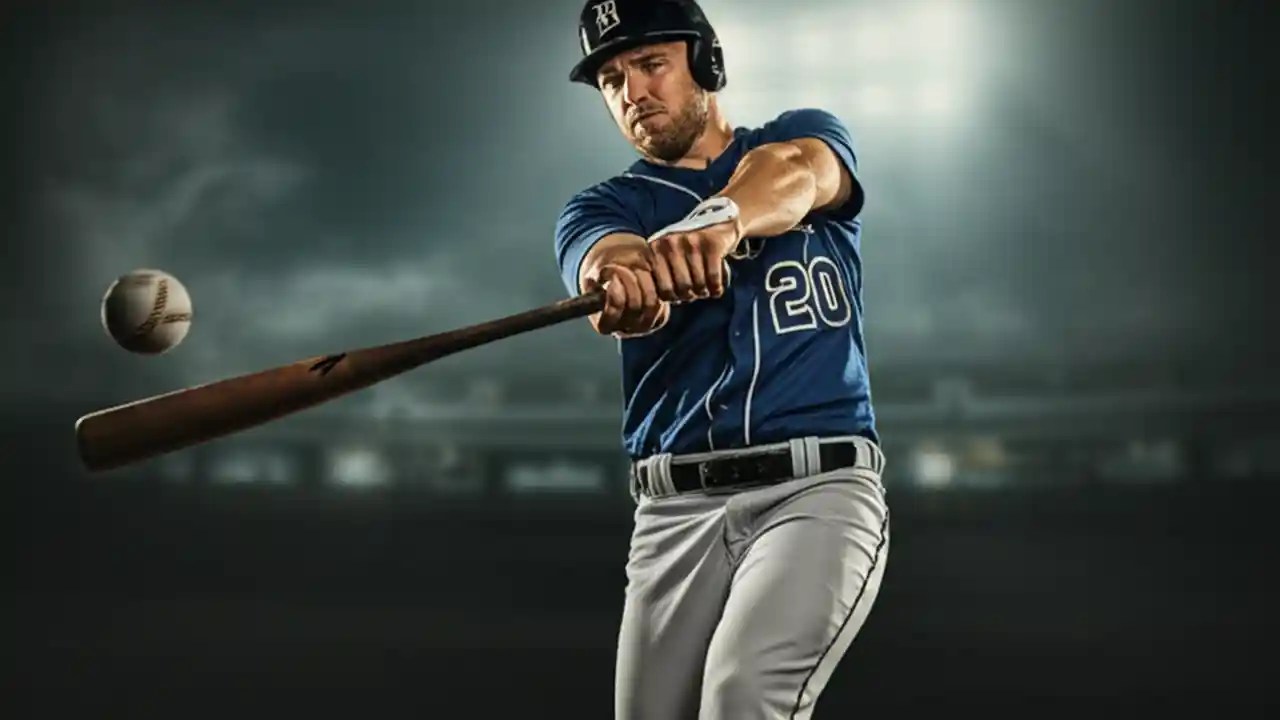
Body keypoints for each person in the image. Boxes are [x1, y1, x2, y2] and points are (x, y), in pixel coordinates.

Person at [552, 2, 890, 718]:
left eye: (651, 64)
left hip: (815, 491)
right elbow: (602, 258)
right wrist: (625, 282)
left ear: (706, 62)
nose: (632, 92)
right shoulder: (603, 205)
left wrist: (719, 220)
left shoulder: (801, 134)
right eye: (612, 78)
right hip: (672, 514)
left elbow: (798, 174)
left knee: (743, 696)